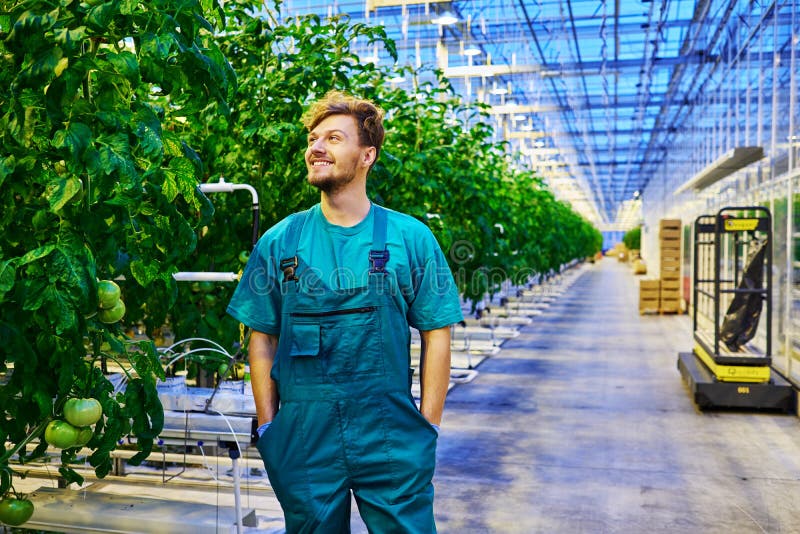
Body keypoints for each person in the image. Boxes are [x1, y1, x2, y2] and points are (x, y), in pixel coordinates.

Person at [226, 90, 463, 532]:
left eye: (334, 138)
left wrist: (427, 427)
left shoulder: (409, 238)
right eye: (313, 138)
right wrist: (269, 426)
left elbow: (437, 333)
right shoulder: (280, 242)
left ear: (367, 155)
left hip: (389, 434)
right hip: (304, 435)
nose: (316, 148)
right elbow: (261, 337)